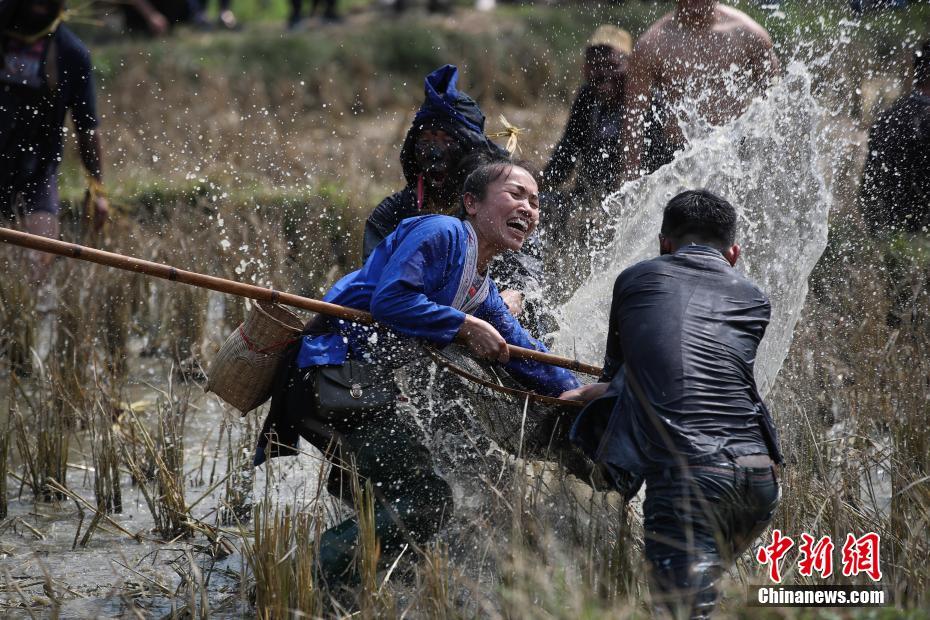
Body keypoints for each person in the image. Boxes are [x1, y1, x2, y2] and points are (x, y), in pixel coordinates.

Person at [255, 157, 579, 587]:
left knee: (389, 499)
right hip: (334, 374)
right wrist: (464, 325)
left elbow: (521, 352)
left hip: (358, 386)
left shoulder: (481, 287)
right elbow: (390, 300)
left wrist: (577, 392)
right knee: (425, 499)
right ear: (471, 203)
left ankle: (350, 589)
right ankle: (298, 583)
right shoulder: (440, 232)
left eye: (535, 203)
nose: (529, 209)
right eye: (516, 195)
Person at [562, 190, 782, 619]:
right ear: (733, 253)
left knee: (680, 612)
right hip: (760, 476)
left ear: (664, 243)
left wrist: (587, 395)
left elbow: (617, 377)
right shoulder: (755, 298)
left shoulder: (636, 279)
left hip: (690, 479)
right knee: (699, 600)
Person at [1, 0, 108, 280]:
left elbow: (87, 129)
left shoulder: (71, 55)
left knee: (33, 270)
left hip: (36, 171)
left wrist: (97, 188)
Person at [621, 1, 780, 179]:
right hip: (680, 155)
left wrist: (778, 164)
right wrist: (630, 177)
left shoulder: (747, 33)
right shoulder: (652, 44)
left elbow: (776, 102)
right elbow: (634, 118)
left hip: (738, 149)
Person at [859, 41, 930, 327]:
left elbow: (868, 188)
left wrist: (876, 232)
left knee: (901, 314)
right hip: (922, 236)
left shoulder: (888, 117)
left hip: (893, 238)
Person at [542, 25, 632, 213]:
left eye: (611, 65)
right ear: (584, 68)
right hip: (590, 198)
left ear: (630, 66)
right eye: (595, 66)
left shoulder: (645, 101)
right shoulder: (587, 97)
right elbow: (567, 152)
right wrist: (535, 183)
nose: (602, 74)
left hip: (631, 200)